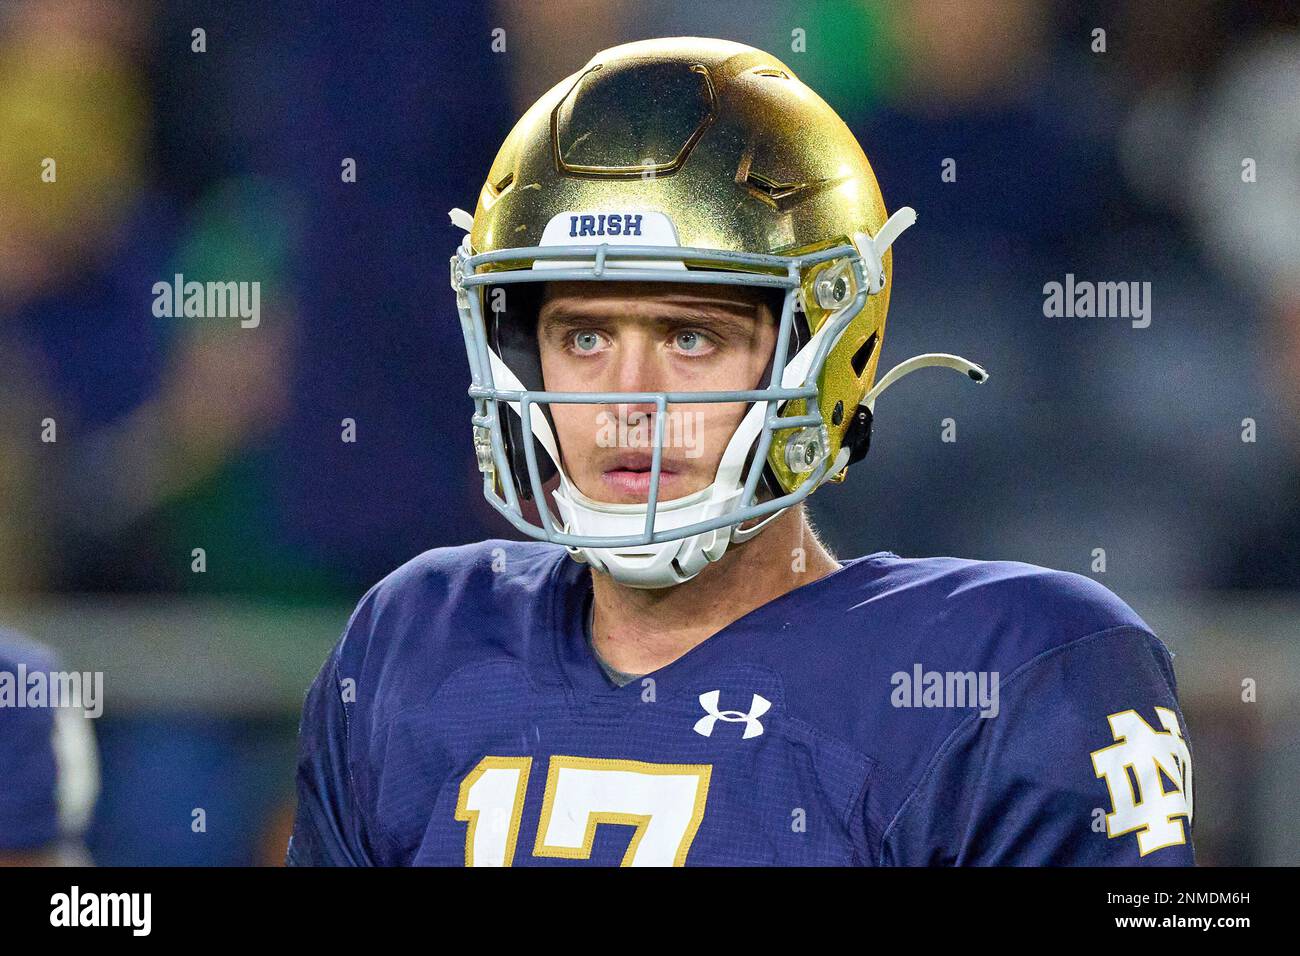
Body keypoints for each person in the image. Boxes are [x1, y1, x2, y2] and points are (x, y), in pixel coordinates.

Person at [288, 38, 1192, 866]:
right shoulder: (414, 645)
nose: (627, 403)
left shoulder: (1007, 679)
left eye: (691, 338)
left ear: (819, 353)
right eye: (584, 337)